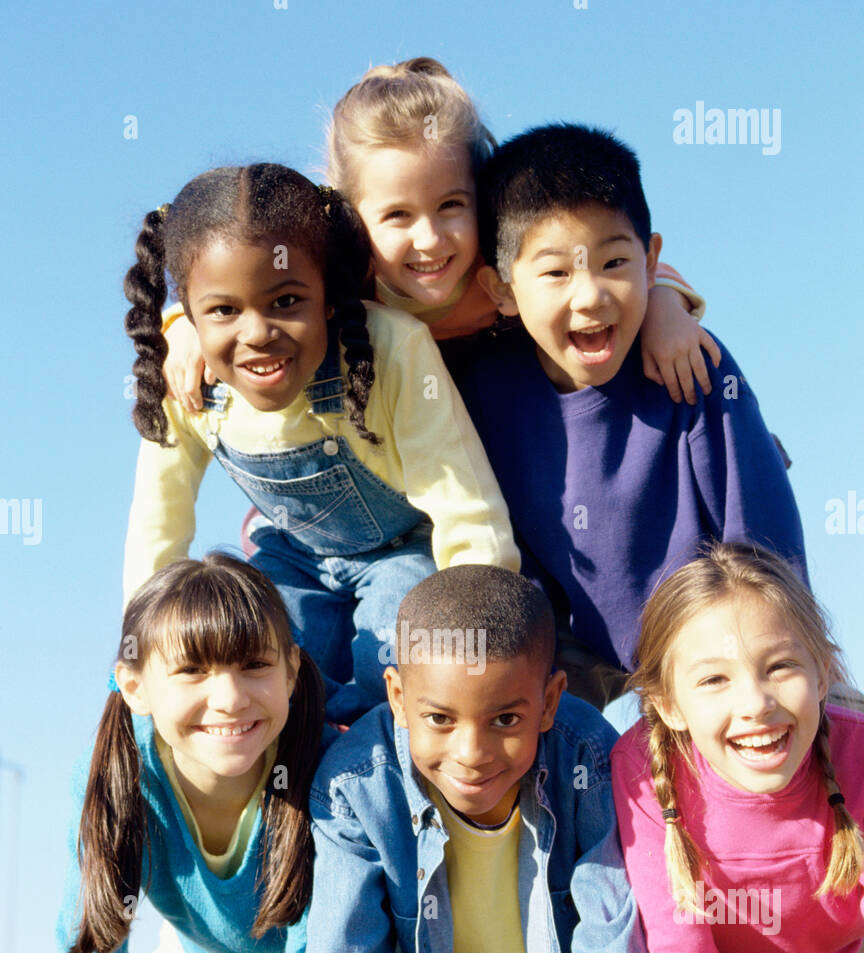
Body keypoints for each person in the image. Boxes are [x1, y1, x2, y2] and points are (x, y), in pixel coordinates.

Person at [289, 565, 680, 953]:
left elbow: (619, 952)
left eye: (505, 719)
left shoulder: (589, 761)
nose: (472, 751)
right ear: (395, 696)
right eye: (439, 718)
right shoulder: (355, 787)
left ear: (549, 701)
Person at [123, 162, 518, 724]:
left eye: (286, 301)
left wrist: (481, 636)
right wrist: (143, 648)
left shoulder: (391, 349)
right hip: (293, 556)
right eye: (224, 310)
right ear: (187, 313)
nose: (258, 332)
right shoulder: (183, 377)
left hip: (403, 550)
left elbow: (464, 504)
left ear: (330, 295)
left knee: (396, 673)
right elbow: (157, 529)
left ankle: (376, 781)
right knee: (262, 671)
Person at [453, 123, 807, 710]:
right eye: (556, 273)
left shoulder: (690, 363)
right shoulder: (488, 395)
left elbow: (762, 534)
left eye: (615, 262)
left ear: (652, 259)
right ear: (502, 289)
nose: (589, 295)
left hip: (724, 655)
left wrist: (781, 663)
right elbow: (518, 564)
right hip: (593, 669)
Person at [162, 59, 715, 409]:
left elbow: (609, 263)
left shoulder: (505, 269)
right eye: (397, 217)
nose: (429, 239)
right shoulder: (343, 273)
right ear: (353, 216)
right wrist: (184, 328)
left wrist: (666, 306)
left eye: (451, 206)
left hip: (504, 436)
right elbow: (243, 284)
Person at [54, 553, 325, 953]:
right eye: (192, 670)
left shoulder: (327, 771)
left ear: (291, 670)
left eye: (255, 664)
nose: (228, 698)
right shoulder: (117, 785)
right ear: (135, 684)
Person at [612, 543, 864, 953]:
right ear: (668, 703)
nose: (755, 704)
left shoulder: (856, 750)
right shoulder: (647, 771)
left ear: (824, 668)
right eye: (715, 680)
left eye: (779, 667)